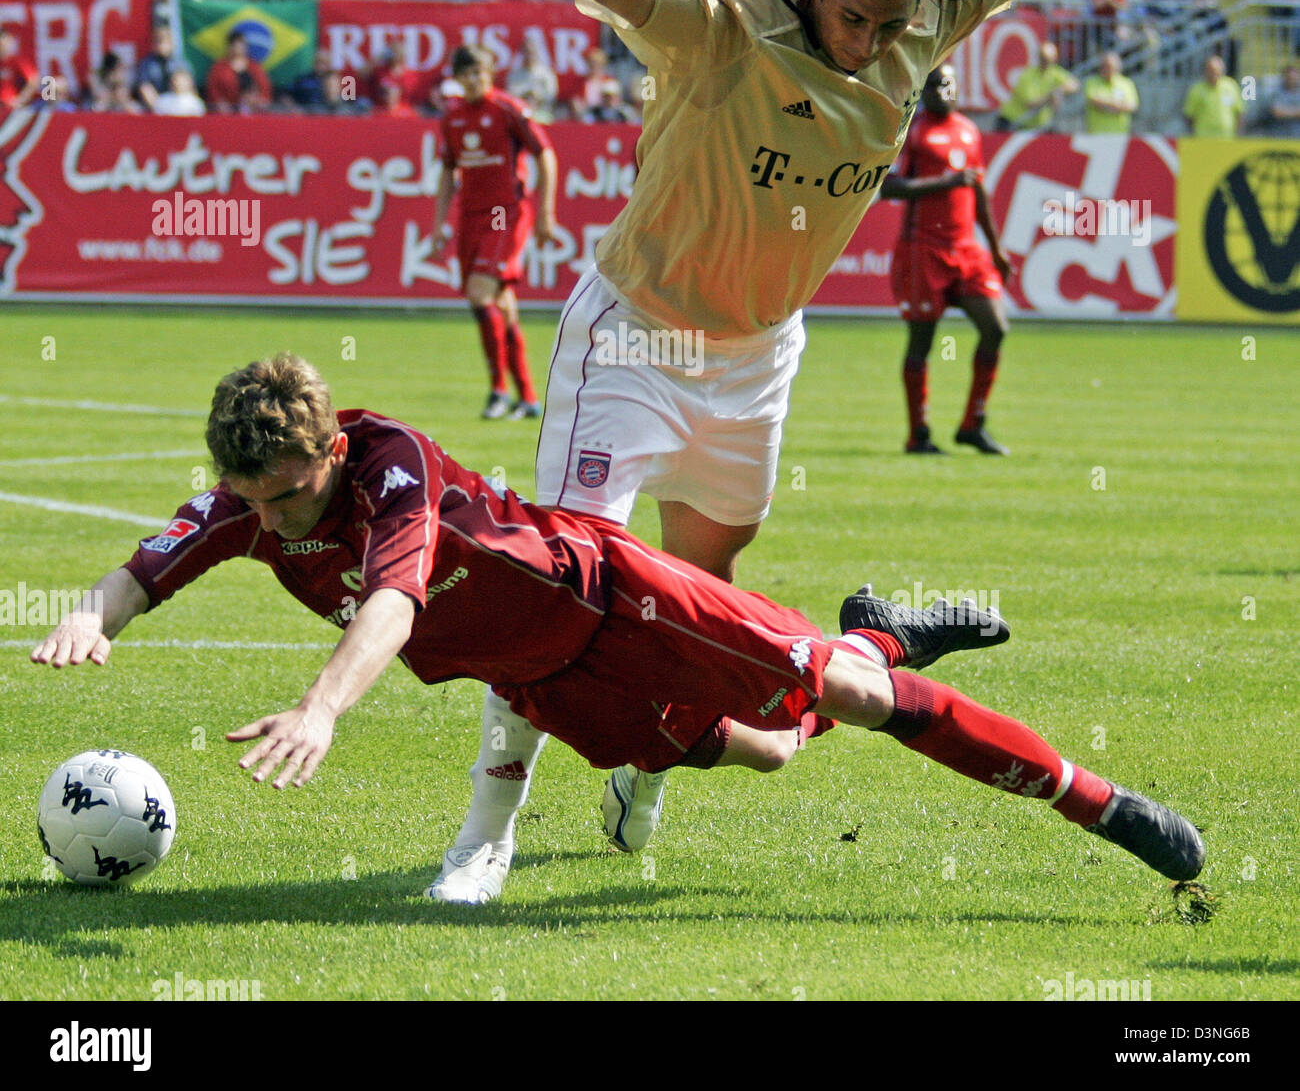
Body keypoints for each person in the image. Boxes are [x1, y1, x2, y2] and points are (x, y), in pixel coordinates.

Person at [437, 0, 1103, 904]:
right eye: (857, 21)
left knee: (708, 587)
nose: (877, 46)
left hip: (757, 359)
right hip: (635, 337)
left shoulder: (920, 10)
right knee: (558, 581)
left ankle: (653, 763)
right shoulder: (730, 20)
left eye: (896, 28)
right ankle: (483, 833)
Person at [31, 354, 1206, 897]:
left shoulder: (388, 467)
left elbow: (392, 599)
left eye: (286, 492)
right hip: (548, 683)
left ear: (327, 450)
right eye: (251, 500)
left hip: (616, 593)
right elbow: (146, 567)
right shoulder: (247, 503)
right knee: (773, 747)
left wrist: (320, 708)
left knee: (846, 700)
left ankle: (1105, 807)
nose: (270, 517)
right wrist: (93, 620)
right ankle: (885, 631)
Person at [883, 63, 1012, 455]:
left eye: (951, 84)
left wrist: (995, 247)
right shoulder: (912, 132)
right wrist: (948, 181)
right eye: (937, 84)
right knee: (922, 339)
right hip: (923, 249)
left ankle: (973, 424)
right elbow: (889, 187)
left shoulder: (969, 131)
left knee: (996, 328)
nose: (945, 90)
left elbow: (978, 192)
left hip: (966, 249)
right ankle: (918, 435)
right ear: (924, 91)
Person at [431, 45, 559, 420]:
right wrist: (439, 223)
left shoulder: (508, 109)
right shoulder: (451, 117)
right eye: (466, 74)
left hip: (505, 215)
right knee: (502, 305)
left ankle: (498, 392)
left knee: (479, 294)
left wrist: (545, 213)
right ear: (456, 78)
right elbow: (448, 172)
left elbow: (545, 154)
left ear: (490, 74)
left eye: (480, 73)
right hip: (469, 218)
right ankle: (530, 398)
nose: (474, 80)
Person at [996, 39, 1079, 130]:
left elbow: (1074, 85)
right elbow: (1030, 104)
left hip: (1034, 124)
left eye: (1049, 60)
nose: (1046, 63)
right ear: (1039, 58)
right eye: (1044, 59)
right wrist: (1051, 96)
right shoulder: (1028, 75)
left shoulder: (1054, 72)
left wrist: (1059, 90)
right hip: (1012, 122)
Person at [1182, 54, 1244, 138]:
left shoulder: (1231, 86)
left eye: (1216, 70)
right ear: (1205, 71)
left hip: (1227, 138)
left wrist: (1238, 134)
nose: (1213, 73)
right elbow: (1189, 115)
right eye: (1210, 70)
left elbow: (1239, 112)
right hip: (1203, 138)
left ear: (1221, 71)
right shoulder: (1197, 89)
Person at [1083, 51, 1139, 133]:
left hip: (1120, 134)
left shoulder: (1126, 83)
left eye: (1110, 67)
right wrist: (1118, 105)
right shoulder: (1091, 82)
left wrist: (1105, 104)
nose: (1107, 70)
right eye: (1104, 66)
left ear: (1117, 67)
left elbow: (1132, 106)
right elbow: (1094, 101)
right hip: (1096, 134)